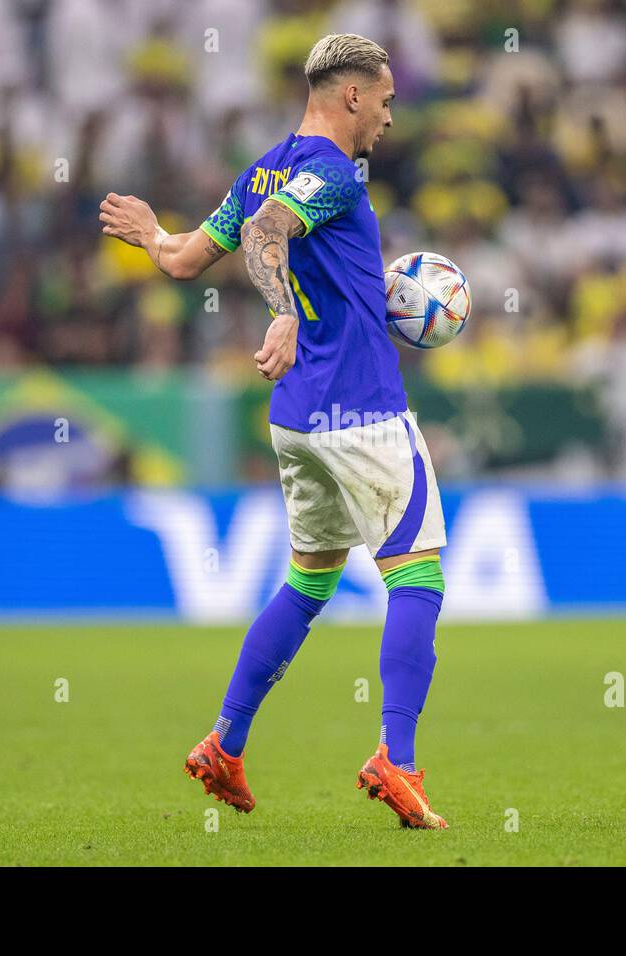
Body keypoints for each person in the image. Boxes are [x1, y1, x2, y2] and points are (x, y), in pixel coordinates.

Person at [99, 33, 449, 829]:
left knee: (310, 581)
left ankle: (226, 740)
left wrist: (153, 235)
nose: (390, 119)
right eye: (387, 101)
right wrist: (285, 311)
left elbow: (187, 259)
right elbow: (264, 236)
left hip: (298, 419)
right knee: (417, 576)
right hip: (363, 410)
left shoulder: (266, 165)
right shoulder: (328, 172)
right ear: (352, 94)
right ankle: (397, 756)